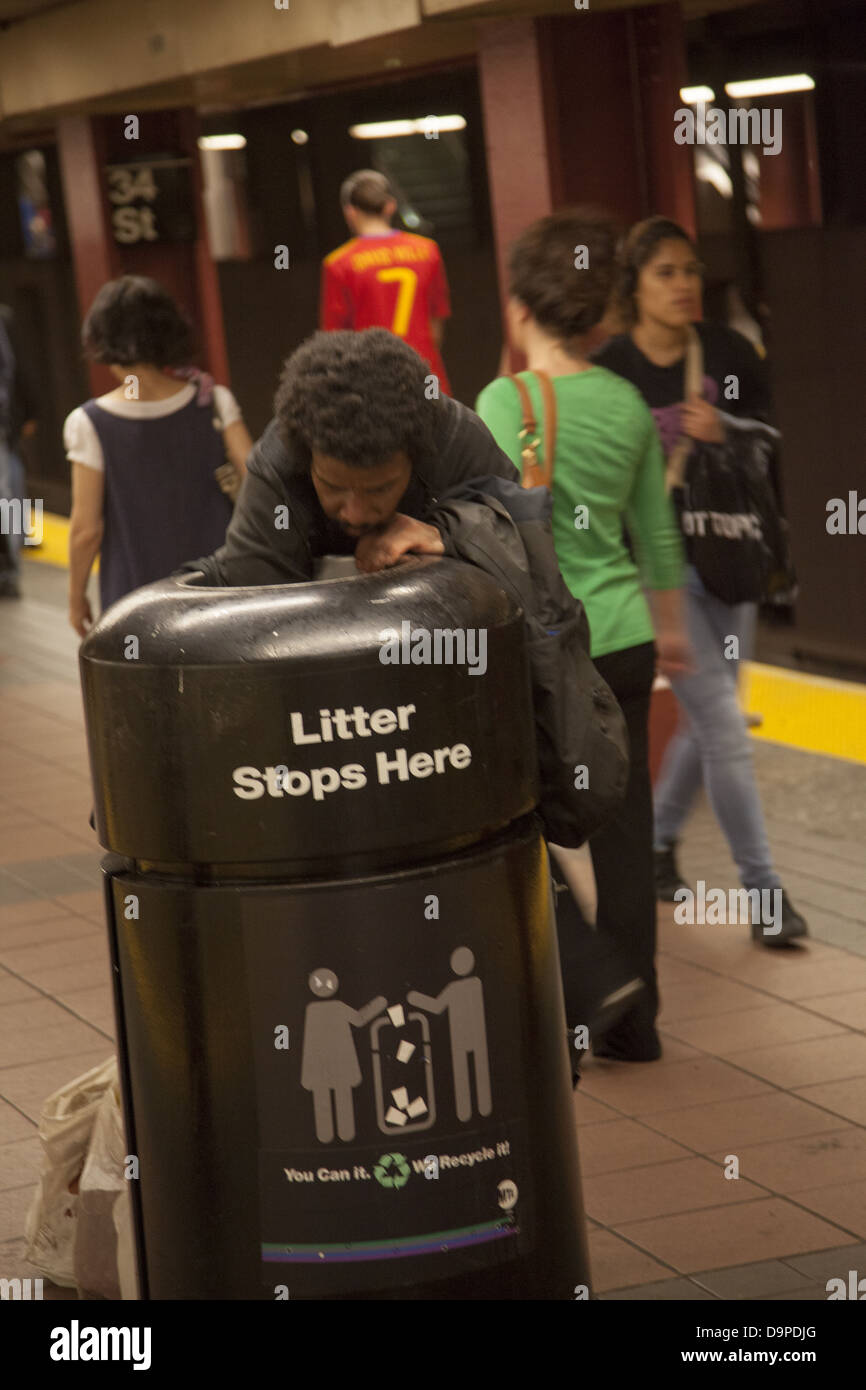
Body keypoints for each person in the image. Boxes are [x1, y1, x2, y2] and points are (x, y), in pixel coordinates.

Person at [475, 210, 688, 1063]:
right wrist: (671, 626)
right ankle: (635, 1019)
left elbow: (483, 528)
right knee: (624, 829)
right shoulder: (629, 400)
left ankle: (591, 972)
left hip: (546, 647)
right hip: (627, 639)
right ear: (599, 312)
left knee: (514, 814)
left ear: (521, 302)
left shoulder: (502, 400)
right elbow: (655, 531)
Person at [592, 215, 807, 946]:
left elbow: (774, 432)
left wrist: (730, 431)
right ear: (635, 286)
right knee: (724, 727)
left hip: (730, 553)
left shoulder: (728, 350)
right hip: (658, 566)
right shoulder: (614, 368)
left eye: (690, 271)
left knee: (707, 718)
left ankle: (655, 845)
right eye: (666, 273)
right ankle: (765, 896)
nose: (684, 285)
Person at [186, 327, 517, 587]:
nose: (355, 515)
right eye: (333, 486)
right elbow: (256, 621)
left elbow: (532, 553)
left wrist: (450, 535)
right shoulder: (278, 466)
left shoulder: (456, 440)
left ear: (414, 459)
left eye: (378, 489)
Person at [64, 276, 252, 636]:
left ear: (103, 339)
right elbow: (258, 478)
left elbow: (86, 530)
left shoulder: (89, 423)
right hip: (220, 590)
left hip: (135, 602)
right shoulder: (214, 401)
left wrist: (76, 597)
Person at [321, 170, 452, 396]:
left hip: (371, 386)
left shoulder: (338, 263)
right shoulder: (428, 250)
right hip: (427, 377)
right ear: (390, 206)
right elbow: (437, 323)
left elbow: (334, 342)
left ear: (350, 212)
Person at [0, 304, 38, 599]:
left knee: (9, 493)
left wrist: (27, 412)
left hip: (5, 426)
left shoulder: (5, 318)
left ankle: (9, 569)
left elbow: (19, 369)